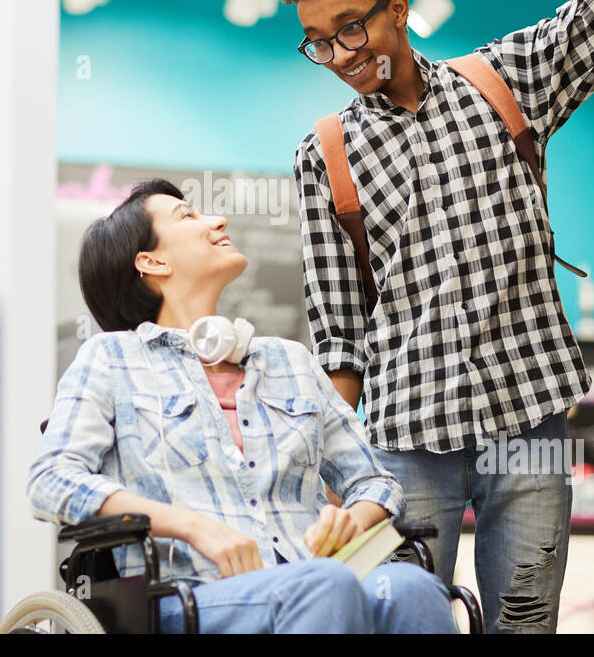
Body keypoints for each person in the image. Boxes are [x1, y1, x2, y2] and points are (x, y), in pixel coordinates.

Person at [279, 0, 594, 632]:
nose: (338, 54)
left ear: (397, 9)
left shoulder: (500, 82)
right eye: (317, 40)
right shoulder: (323, 153)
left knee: (524, 624)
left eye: (351, 28)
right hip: (408, 439)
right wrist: (331, 474)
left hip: (531, 417)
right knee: (412, 622)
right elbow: (340, 333)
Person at [27, 178, 457, 633]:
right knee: (324, 585)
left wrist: (349, 523)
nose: (218, 220)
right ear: (151, 261)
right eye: (188, 216)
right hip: (183, 596)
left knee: (410, 586)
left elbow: (376, 483)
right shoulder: (111, 359)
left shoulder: (289, 361)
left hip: (315, 577)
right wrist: (193, 527)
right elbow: (50, 481)